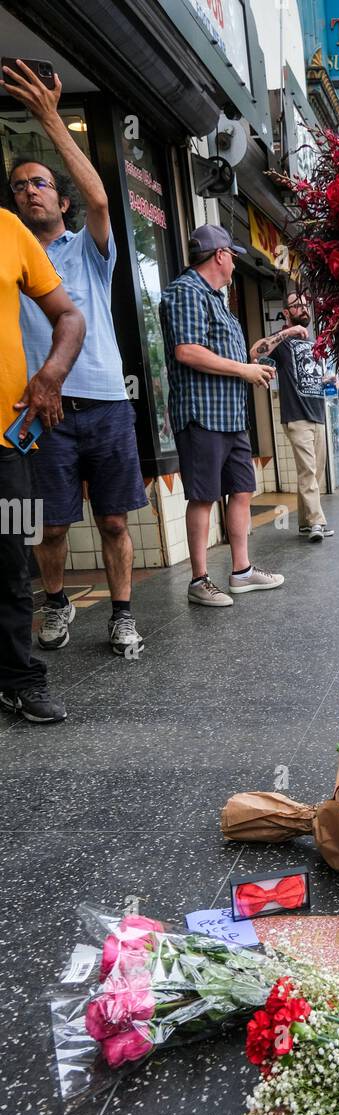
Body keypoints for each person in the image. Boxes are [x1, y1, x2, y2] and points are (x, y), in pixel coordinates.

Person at [3, 58, 148, 656]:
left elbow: (99, 197)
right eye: (18, 186)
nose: (28, 190)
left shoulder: (88, 250)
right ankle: (58, 604)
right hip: (39, 410)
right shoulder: (9, 253)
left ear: (60, 201)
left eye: (39, 183)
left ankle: (121, 613)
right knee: (48, 525)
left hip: (107, 402)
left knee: (114, 520)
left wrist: (50, 118)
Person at [159, 225, 284, 605]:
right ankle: (199, 580)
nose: (234, 262)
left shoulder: (217, 299)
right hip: (202, 415)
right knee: (202, 496)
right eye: (233, 255)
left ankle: (242, 571)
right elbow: (187, 352)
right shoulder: (185, 292)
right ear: (220, 255)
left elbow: (220, 357)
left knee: (242, 489)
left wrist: (251, 357)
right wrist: (244, 371)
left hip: (230, 414)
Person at [0, 205, 84, 722]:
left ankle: (19, 680)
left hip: (8, 448)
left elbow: (70, 316)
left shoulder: (9, 228)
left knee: (13, 563)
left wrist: (49, 376)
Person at [250, 290, 333, 543]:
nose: (303, 309)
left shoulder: (313, 342)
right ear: (286, 312)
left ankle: (305, 523)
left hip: (318, 413)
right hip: (296, 416)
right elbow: (254, 352)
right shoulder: (282, 342)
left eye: (306, 305)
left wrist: (328, 380)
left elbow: (314, 375)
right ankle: (318, 523)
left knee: (315, 473)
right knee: (308, 471)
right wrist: (286, 332)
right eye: (297, 306)